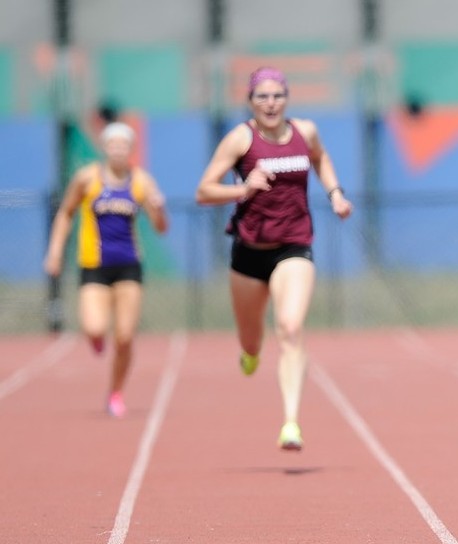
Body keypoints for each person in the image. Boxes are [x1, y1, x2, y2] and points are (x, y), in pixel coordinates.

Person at [196, 67, 352, 451]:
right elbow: (204, 191)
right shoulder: (240, 139)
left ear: (287, 98)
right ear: (250, 101)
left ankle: (291, 423)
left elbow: (321, 159)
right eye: (262, 97)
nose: (270, 103)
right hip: (249, 252)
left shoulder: (305, 132)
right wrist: (243, 189)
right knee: (252, 341)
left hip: (294, 245)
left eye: (277, 96)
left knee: (290, 328)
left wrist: (334, 193)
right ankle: (250, 353)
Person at [43, 122, 169, 418]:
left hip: (129, 266)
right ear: (104, 148)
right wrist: (55, 251)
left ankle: (116, 392)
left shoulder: (141, 181)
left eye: (123, 145)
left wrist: (158, 208)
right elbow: (66, 213)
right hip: (94, 265)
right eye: (113, 145)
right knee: (95, 328)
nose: (118, 150)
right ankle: (97, 339)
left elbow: (161, 228)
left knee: (124, 337)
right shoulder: (87, 178)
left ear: (130, 149)